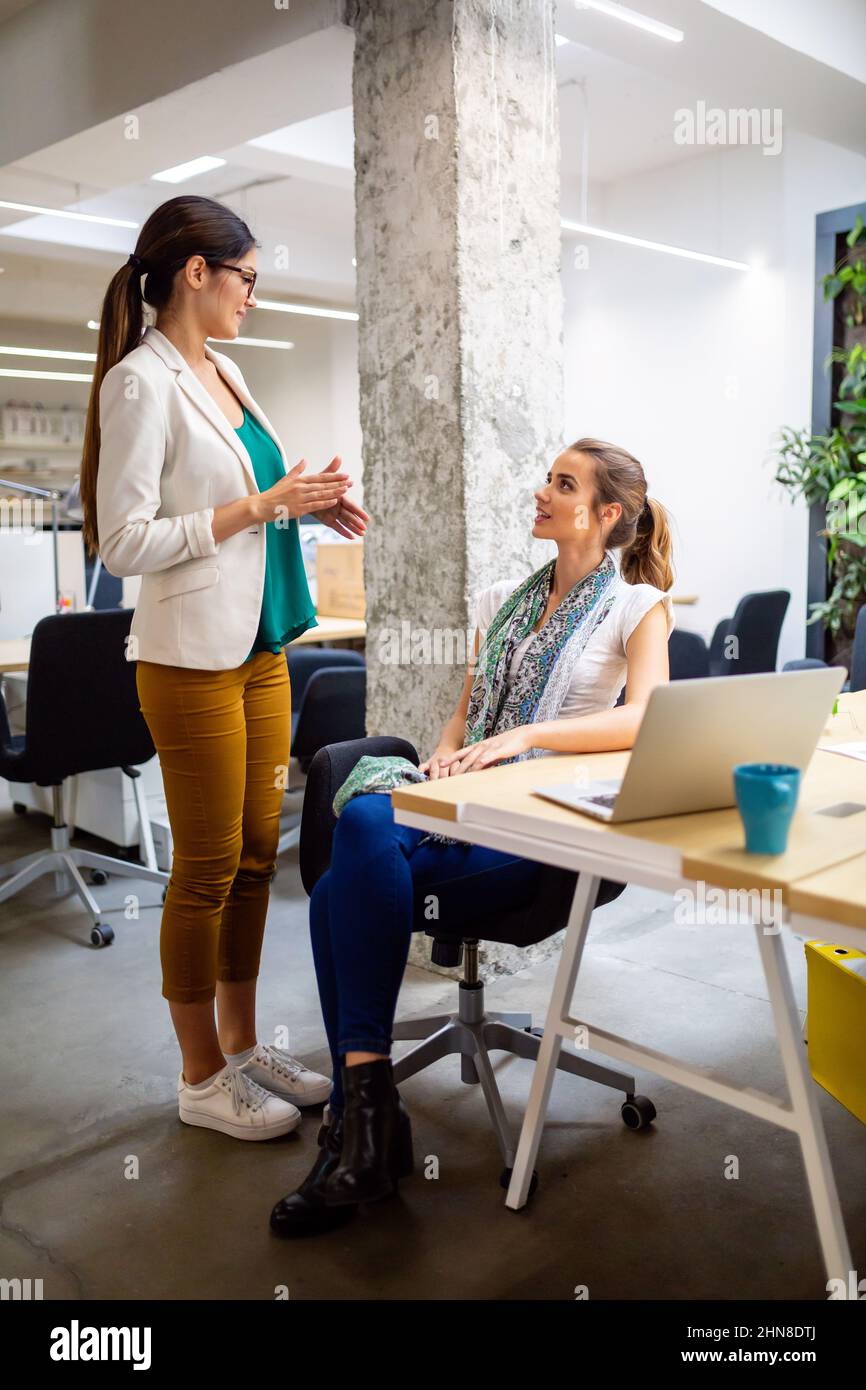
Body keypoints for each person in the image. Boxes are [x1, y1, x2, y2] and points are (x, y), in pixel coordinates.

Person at [270, 436, 675, 1235]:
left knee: (340, 880)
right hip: (469, 804)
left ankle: (361, 1134)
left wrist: (529, 739)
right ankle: (369, 1118)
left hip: (541, 834)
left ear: (607, 513)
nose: (542, 493)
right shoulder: (500, 600)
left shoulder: (636, 604)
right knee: (362, 826)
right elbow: (461, 718)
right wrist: (448, 755)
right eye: (546, 479)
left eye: (563, 485)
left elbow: (646, 716)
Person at [79, 194, 368, 1140]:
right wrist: (258, 509)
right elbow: (120, 543)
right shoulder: (141, 383)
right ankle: (200, 1078)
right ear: (196, 273)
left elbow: (250, 494)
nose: (252, 294)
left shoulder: (226, 371)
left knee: (253, 857)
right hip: (190, 657)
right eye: (246, 276)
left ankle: (243, 1050)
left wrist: (301, 506)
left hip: (261, 648)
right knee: (202, 867)